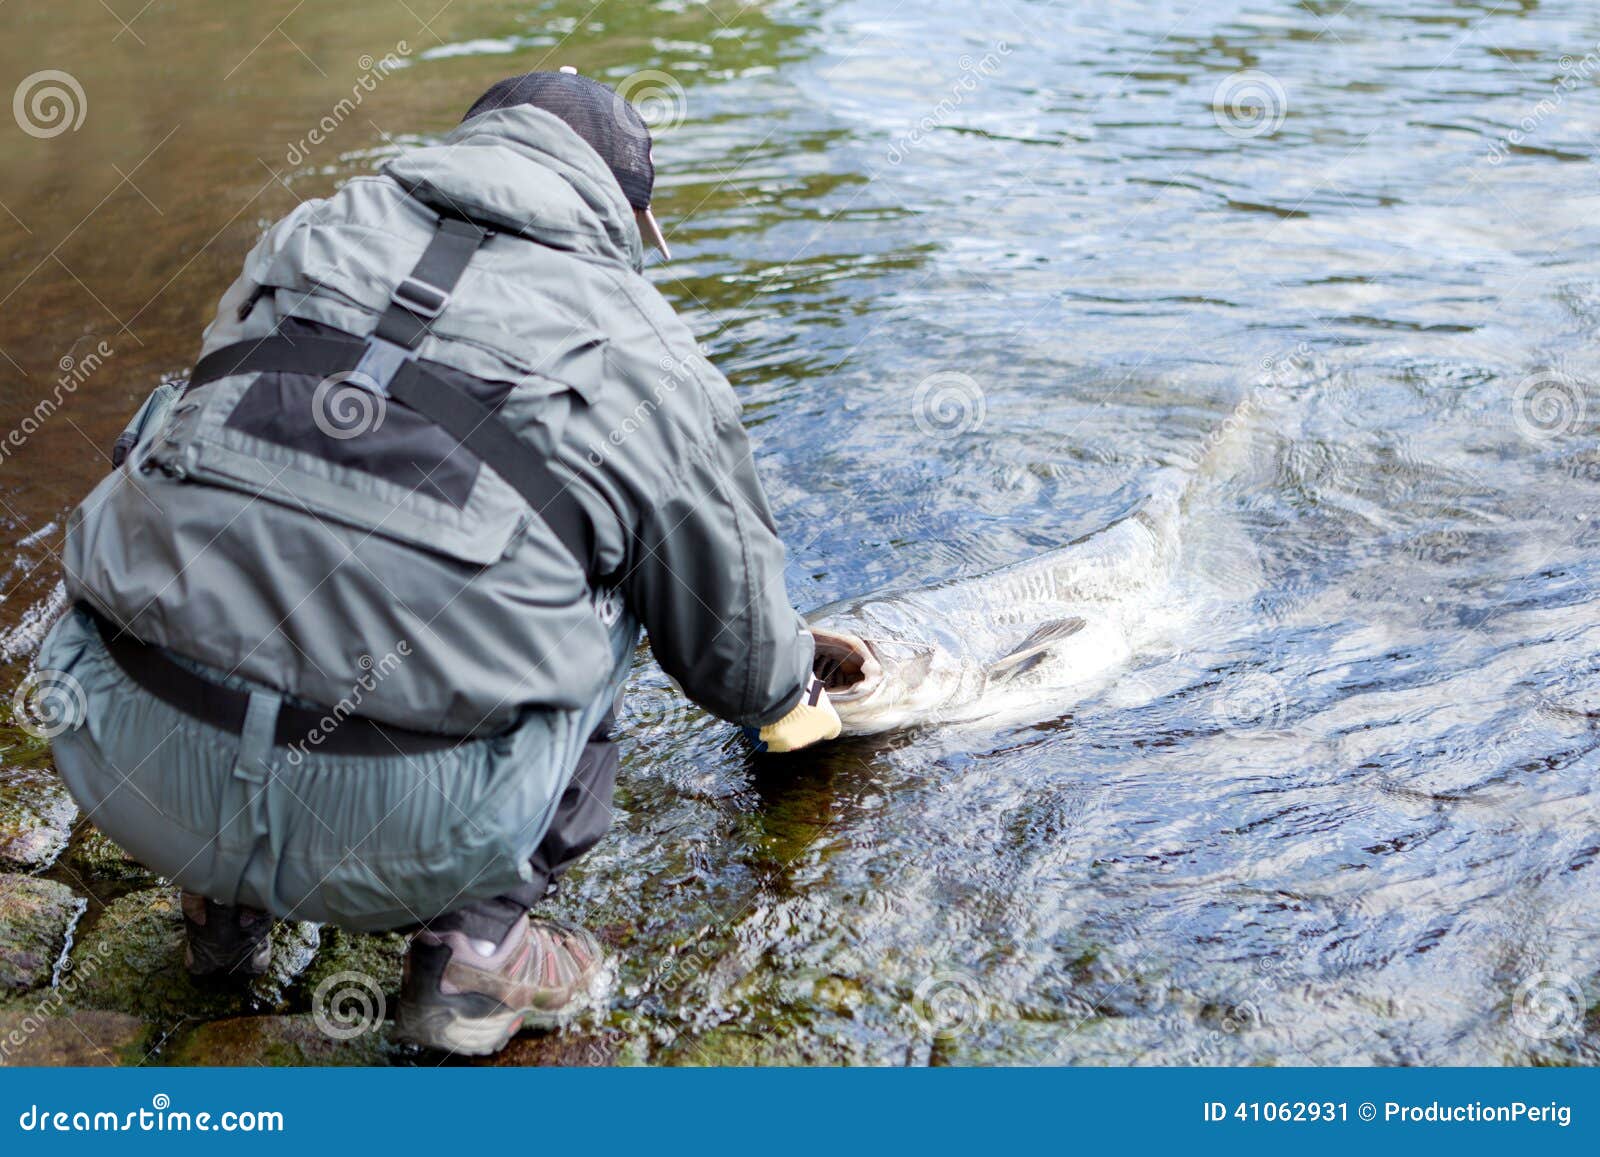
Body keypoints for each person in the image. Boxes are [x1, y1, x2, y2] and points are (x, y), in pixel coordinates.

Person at [36, 70, 853, 1056]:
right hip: (414, 827)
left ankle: (217, 910)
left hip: (120, 753)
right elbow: (735, 660)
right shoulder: (650, 354)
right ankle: (471, 960)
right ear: (629, 210)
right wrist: (796, 683)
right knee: (619, 586)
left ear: (474, 145)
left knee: (241, 482)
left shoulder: (305, 234)